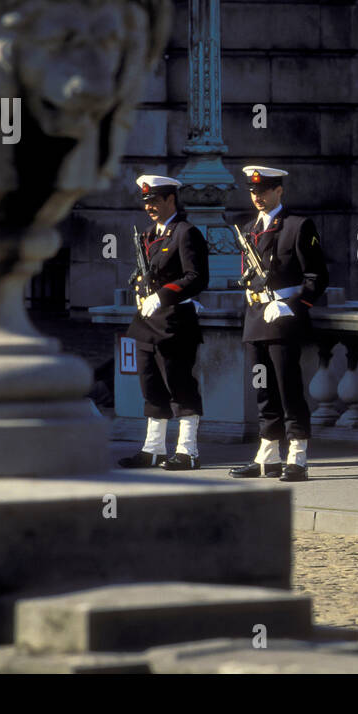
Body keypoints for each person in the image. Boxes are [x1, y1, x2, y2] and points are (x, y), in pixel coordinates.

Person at [228, 165, 329, 482]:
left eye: (264, 190)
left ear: (279, 191)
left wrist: (292, 305)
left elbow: (317, 276)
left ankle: (297, 457)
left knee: (289, 390)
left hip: (283, 321)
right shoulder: (248, 229)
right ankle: (267, 456)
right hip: (256, 320)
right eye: (254, 191)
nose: (258, 196)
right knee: (263, 390)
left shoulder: (298, 226)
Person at [117, 174, 210, 470]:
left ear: (171, 199)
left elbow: (196, 277)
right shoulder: (148, 234)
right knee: (150, 385)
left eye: (155, 201)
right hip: (147, 322)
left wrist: (163, 296)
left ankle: (187, 450)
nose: (150, 207)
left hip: (174, 323)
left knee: (179, 384)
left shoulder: (185, 233)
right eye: (146, 202)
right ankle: (154, 448)